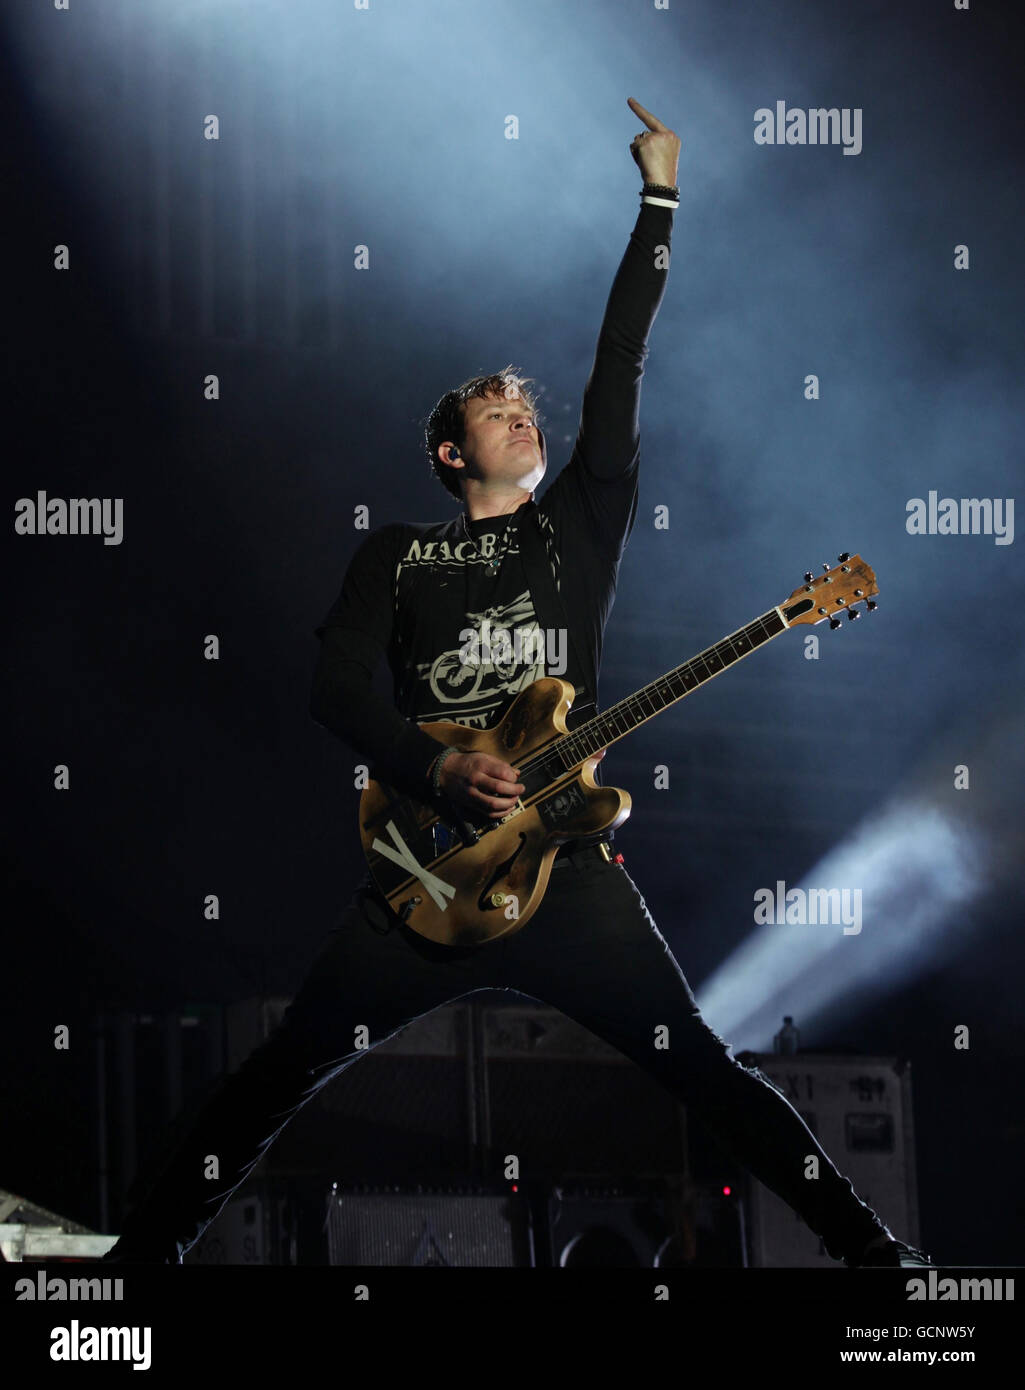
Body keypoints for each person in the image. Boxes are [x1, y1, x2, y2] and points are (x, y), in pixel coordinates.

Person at [102, 98, 929, 1268]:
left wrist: (657, 201)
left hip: (565, 868)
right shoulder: (390, 554)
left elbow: (618, 361)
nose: (519, 411)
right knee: (280, 1071)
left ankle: (883, 1265)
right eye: (495, 408)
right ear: (450, 451)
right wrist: (437, 763)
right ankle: (123, 1281)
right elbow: (336, 692)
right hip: (423, 868)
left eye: (523, 404)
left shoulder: (574, 530)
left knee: (702, 1068)